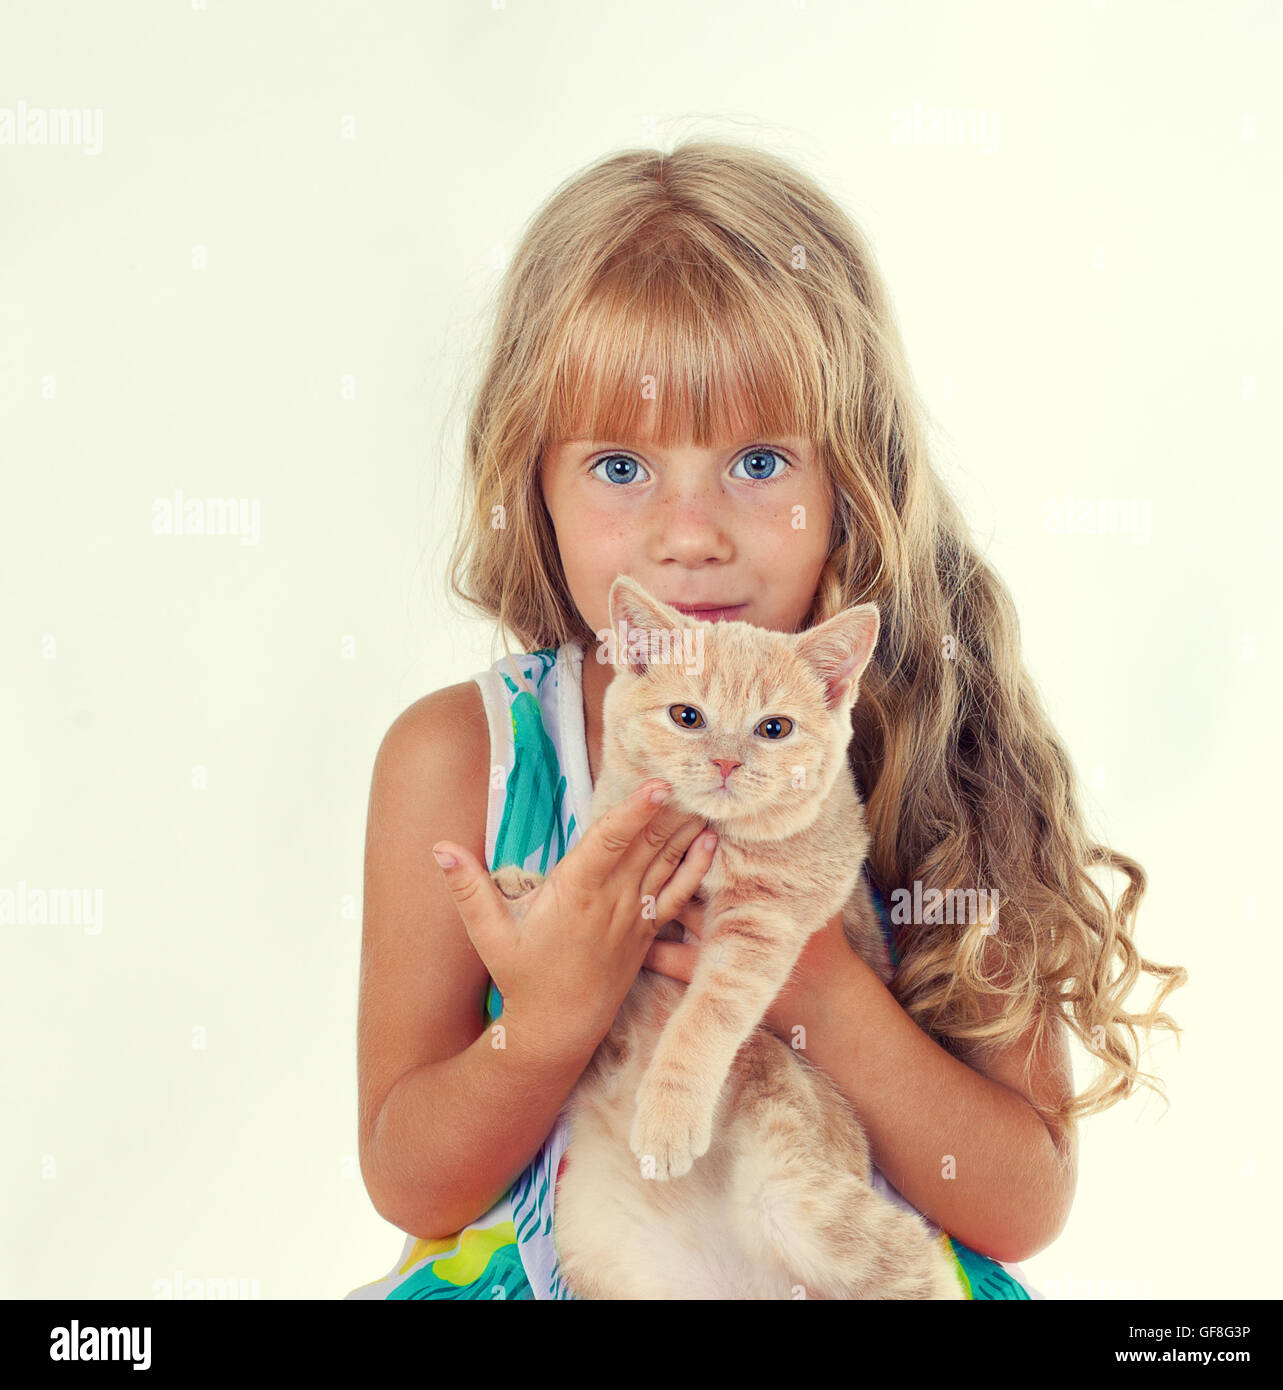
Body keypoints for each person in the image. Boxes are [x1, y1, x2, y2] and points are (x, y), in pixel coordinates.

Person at [345, 141, 1188, 1300]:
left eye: (755, 460)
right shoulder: (465, 758)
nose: (691, 533)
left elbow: (1018, 1198)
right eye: (619, 466)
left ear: (853, 479)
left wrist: (825, 992)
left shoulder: (929, 749)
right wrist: (545, 1023)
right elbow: (412, 1184)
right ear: (530, 479)